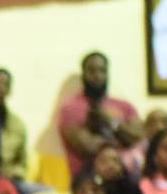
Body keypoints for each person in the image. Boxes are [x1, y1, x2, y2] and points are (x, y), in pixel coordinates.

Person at [58, 52, 143, 180]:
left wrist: (110, 122)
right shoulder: (70, 109)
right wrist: (121, 139)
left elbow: (137, 137)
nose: (97, 76)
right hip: (89, 180)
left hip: (127, 178)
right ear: (83, 75)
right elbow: (88, 147)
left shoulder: (125, 106)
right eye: (91, 71)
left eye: (102, 70)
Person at [0, 68, 32, 186]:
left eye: (5, 85)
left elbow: (22, 164)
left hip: (8, 181)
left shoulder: (17, 125)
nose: (0, 89)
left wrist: (13, 174)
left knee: (46, 192)